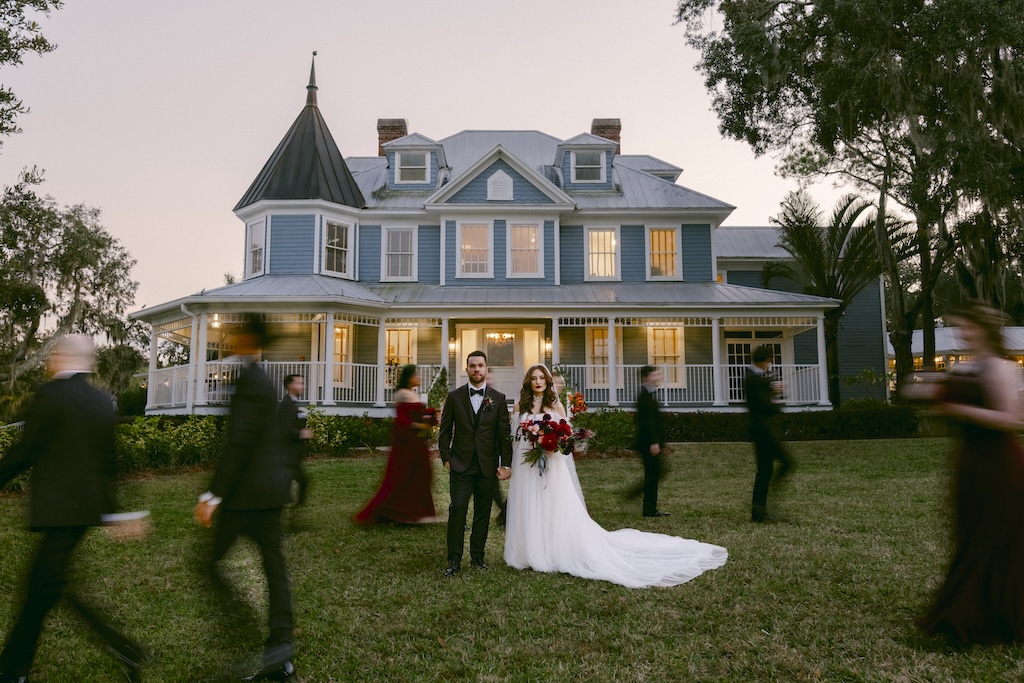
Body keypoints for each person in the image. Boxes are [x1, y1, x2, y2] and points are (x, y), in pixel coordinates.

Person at [0, 334, 149, 683]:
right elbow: (108, 463)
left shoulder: (49, 395)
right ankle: (13, 668)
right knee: (49, 589)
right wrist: (112, 513)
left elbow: (25, 452)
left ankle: (12, 671)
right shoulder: (101, 402)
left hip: (56, 512)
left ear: (62, 357)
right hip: (83, 514)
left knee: (41, 591)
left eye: (54, 354)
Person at [505, 364, 727, 588]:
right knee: (529, 506)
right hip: (527, 465)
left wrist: (553, 444)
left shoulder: (555, 405)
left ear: (547, 381)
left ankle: (552, 549)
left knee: (552, 507)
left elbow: (566, 439)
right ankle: (530, 550)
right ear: (528, 382)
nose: (538, 382)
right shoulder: (519, 406)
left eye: (541, 378)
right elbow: (514, 440)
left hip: (552, 465)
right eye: (533, 378)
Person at [193, 317, 296, 682]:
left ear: (248, 340)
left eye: (236, 334)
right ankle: (280, 651)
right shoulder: (261, 378)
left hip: (246, 497)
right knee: (274, 568)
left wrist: (213, 495)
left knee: (210, 564)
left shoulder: (251, 381)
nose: (230, 339)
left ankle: (251, 635)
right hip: (268, 490)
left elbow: (239, 444)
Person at [915, 304, 1024, 644]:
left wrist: (959, 408)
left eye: (967, 327)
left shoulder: (1002, 368)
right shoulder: (965, 368)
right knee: (971, 533)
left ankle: (999, 613)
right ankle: (972, 605)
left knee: (997, 534)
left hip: (997, 462)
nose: (962, 333)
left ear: (984, 329)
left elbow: (1012, 420)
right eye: (959, 327)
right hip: (969, 462)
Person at [438, 351, 512, 576]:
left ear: (486, 369)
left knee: (483, 512)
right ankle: (454, 559)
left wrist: (505, 464)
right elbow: (444, 431)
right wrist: (446, 458)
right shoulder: (454, 397)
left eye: (480, 366)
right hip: (460, 464)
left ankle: (478, 557)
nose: (476, 369)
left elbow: (503, 434)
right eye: (472, 366)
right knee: (458, 508)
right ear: (467, 369)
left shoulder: (498, 399)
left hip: (487, 465)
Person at [354, 364, 437, 525]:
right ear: (409, 377)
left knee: (422, 474)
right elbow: (402, 420)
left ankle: (417, 511)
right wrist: (421, 425)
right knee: (403, 476)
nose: (418, 378)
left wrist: (430, 417)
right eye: (416, 375)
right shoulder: (402, 394)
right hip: (406, 442)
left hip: (417, 442)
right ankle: (395, 511)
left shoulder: (413, 394)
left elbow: (418, 415)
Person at [744, 346, 794, 523]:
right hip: (763, 431)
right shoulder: (752, 379)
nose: (770, 363)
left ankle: (759, 511)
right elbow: (763, 405)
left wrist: (774, 392)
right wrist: (776, 396)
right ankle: (769, 498)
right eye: (769, 360)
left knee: (765, 470)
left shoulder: (761, 377)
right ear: (765, 360)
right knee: (786, 463)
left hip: (765, 429)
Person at [630, 366, 670, 517]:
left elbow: (655, 421)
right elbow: (647, 422)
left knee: (655, 473)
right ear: (646, 377)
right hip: (647, 443)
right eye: (655, 374)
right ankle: (647, 507)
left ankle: (649, 507)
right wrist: (654, 442)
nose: (658, 376)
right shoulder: (644, 396)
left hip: (651, 442)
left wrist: (662, 443)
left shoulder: (650, 394)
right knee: (653, 474)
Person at [278, 374, 312, 512]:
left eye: (302, 383)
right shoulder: (286, 405)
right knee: (284, 490)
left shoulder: (291, 403)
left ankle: (295, 510)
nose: (302, 386)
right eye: (298, 383)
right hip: (286, 456)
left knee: (302, 482)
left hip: (291, 457)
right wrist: (301, 433)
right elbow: (284, 429)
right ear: (290, 386)